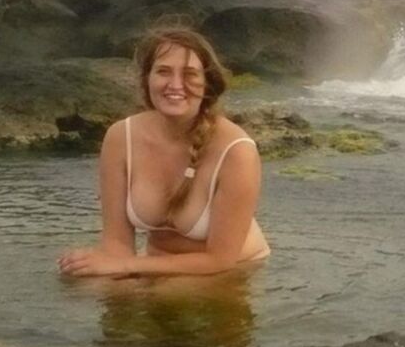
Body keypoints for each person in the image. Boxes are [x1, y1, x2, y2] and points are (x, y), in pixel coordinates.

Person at [59, 27, 269, 277]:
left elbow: (219, 260)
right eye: (163, 71)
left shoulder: (236, 151)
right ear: (147, 79)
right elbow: (117, 244)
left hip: (231, 271)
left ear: (208, 84)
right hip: (156, 266)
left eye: (190, 74)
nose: (175, 85)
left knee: (152, 295)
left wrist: (126, 267)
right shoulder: (120, 137)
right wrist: (100, 269)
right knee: (84, 286)